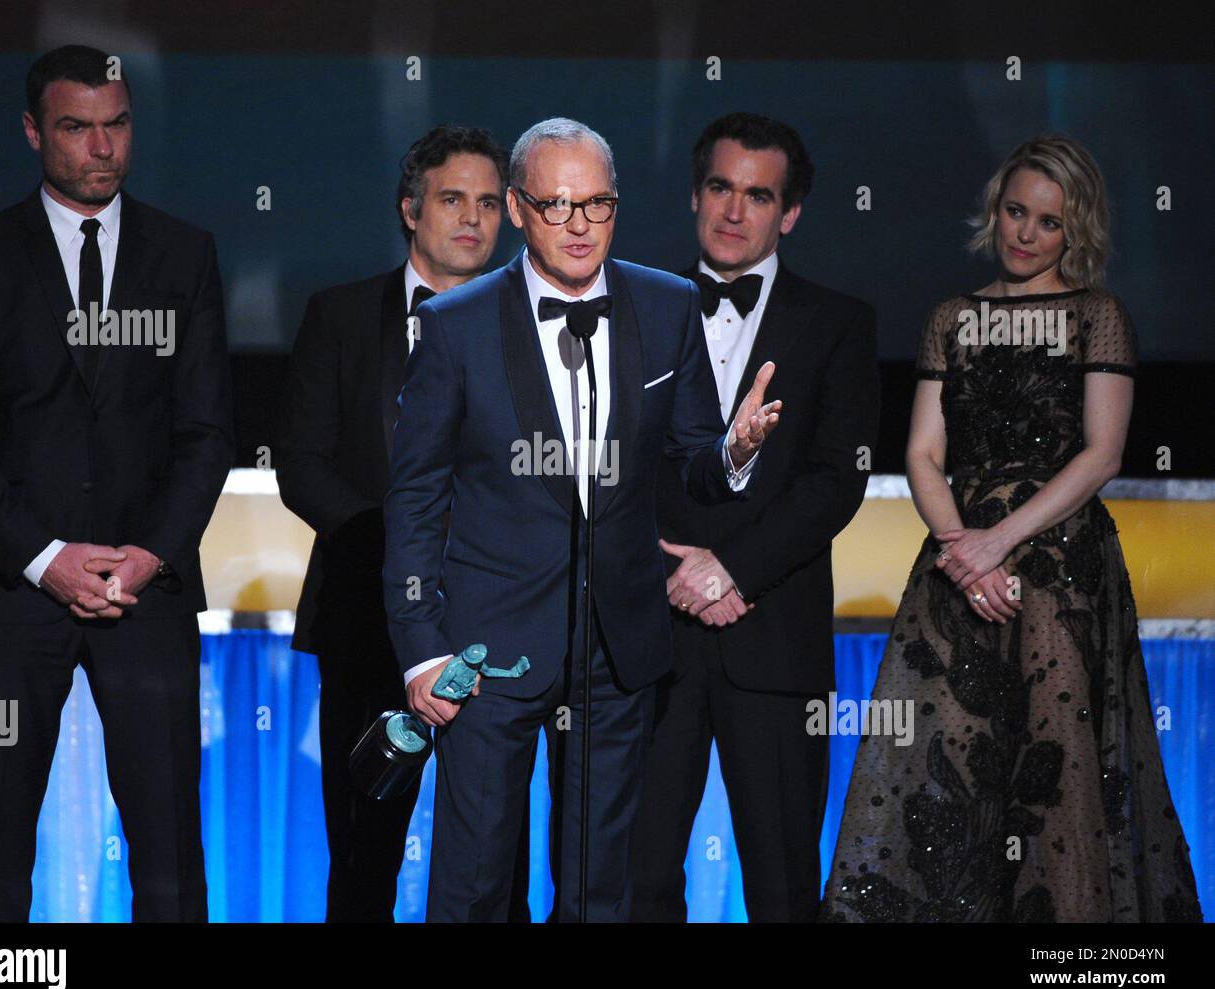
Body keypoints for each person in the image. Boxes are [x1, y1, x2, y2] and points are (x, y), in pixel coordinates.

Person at [382, 117, 783, 922]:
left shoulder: (668, 306)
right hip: (486, 647)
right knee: (476, 879)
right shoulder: (458, 324)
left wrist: (735, 452)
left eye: (596, 205)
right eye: (557, 206)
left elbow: (691, 459)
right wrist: (421, 649)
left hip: (618, 641)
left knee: (601, 882)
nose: (578, 226)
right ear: (522, 210)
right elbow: (416, 493)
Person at [818, 134, 1203, 922]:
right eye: (1016, 212)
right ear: (996, 211)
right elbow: (923, 454)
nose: (1026, 233)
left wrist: (998, 543)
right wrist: (965, 551)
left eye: (1049, 222)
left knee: (1056, 787)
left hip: (1060, 572)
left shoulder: (1099, 317)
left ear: (1078, 231)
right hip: (957, 576)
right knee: (943, 775)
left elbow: (1101, 456)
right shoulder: (952, 318)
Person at [0, 45, 233, 921]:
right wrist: (43, 556)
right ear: (32, 132)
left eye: (117, 125)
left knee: (170, 853)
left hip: (148, 594)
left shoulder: (185, 254)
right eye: (76, 127)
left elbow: (207, 435)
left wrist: (149, 557)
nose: (101, 147)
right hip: (10, 598)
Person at [276, 124, 533, 921]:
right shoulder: (342, 316)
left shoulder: (536, 324)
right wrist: (401, 547)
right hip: (369, 619)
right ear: (410, 209)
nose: (473, 218)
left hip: (500, 627)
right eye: (453, 199)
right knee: (364, 856)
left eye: (490, 203)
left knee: (497, 856)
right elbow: (303, 465)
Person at [631, 112, 879, 922]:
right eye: (720, 187)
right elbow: (605, 472)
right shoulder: (630, 309)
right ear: (694, 195)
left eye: (759, 195)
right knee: (637, 881)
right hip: (648, 641)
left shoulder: (839, 323)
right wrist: (675, 570)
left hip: (773, 639)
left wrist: (727, 569)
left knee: (780, 887)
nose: (735, 211)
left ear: (791, 212)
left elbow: (833, 483)